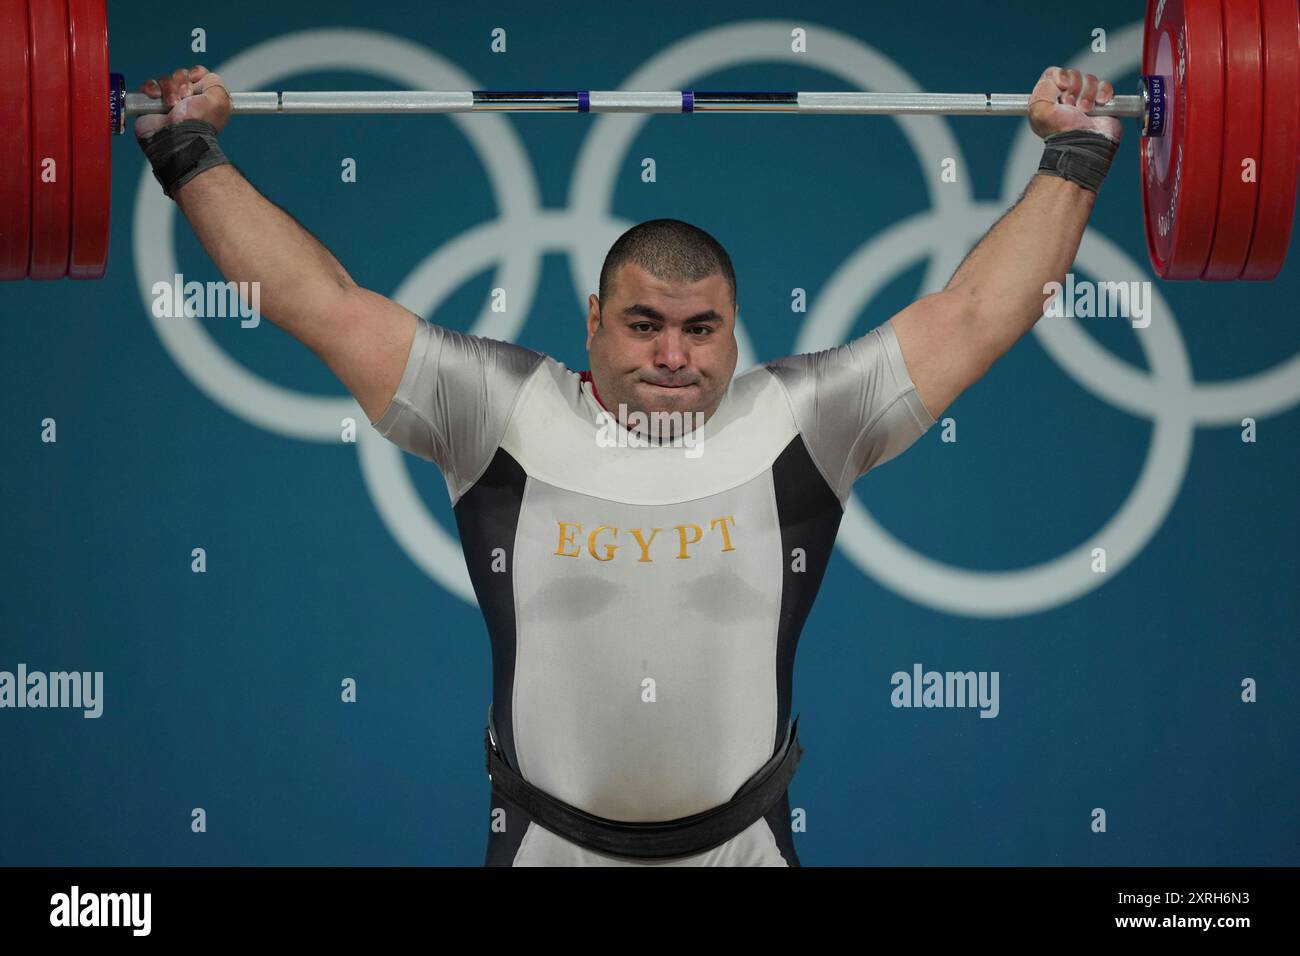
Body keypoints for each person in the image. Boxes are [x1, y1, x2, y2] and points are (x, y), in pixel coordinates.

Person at [135, 64, 1121, 866]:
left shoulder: (806, 417)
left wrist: (1073, 153)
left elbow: (981, 312)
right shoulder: (495, 407)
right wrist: (186, 150)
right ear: (595, 322)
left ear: (734, 332)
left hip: (741, 848)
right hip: (544, 847)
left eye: (701, 329)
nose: (672, 354)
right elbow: (320, 300)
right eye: (644, 324)